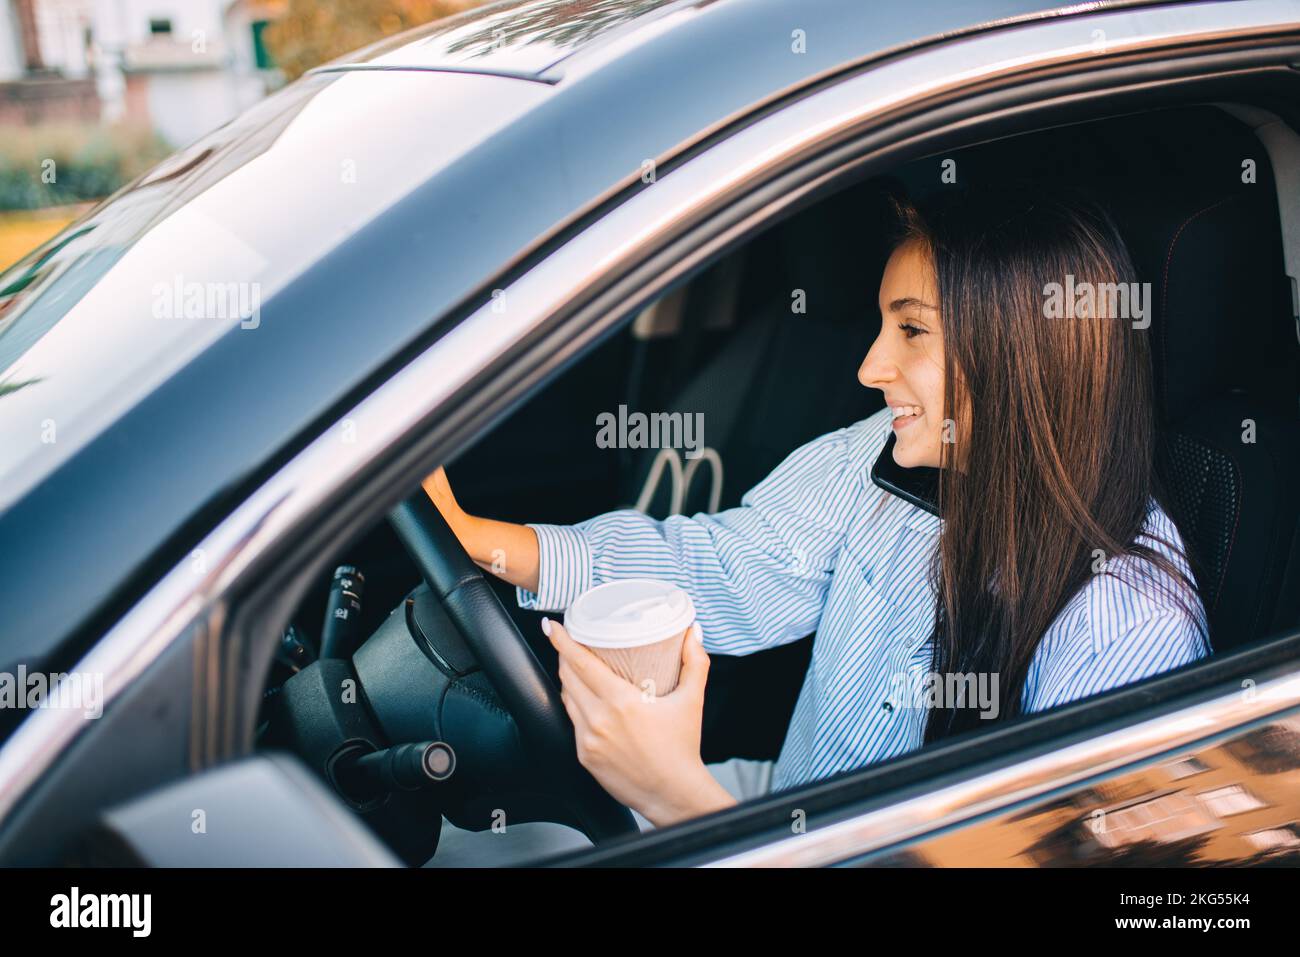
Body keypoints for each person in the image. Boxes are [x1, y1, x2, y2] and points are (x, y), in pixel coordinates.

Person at [421, 187, 1209, 837]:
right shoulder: (885, 457)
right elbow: (727, 565)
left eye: (911, 331)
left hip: (775, 839)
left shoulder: (1125, 624)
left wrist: (680, 801)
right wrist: (486, 543)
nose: (870, 366)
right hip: (784, 802)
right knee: (491, 838)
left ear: (1022, 352)